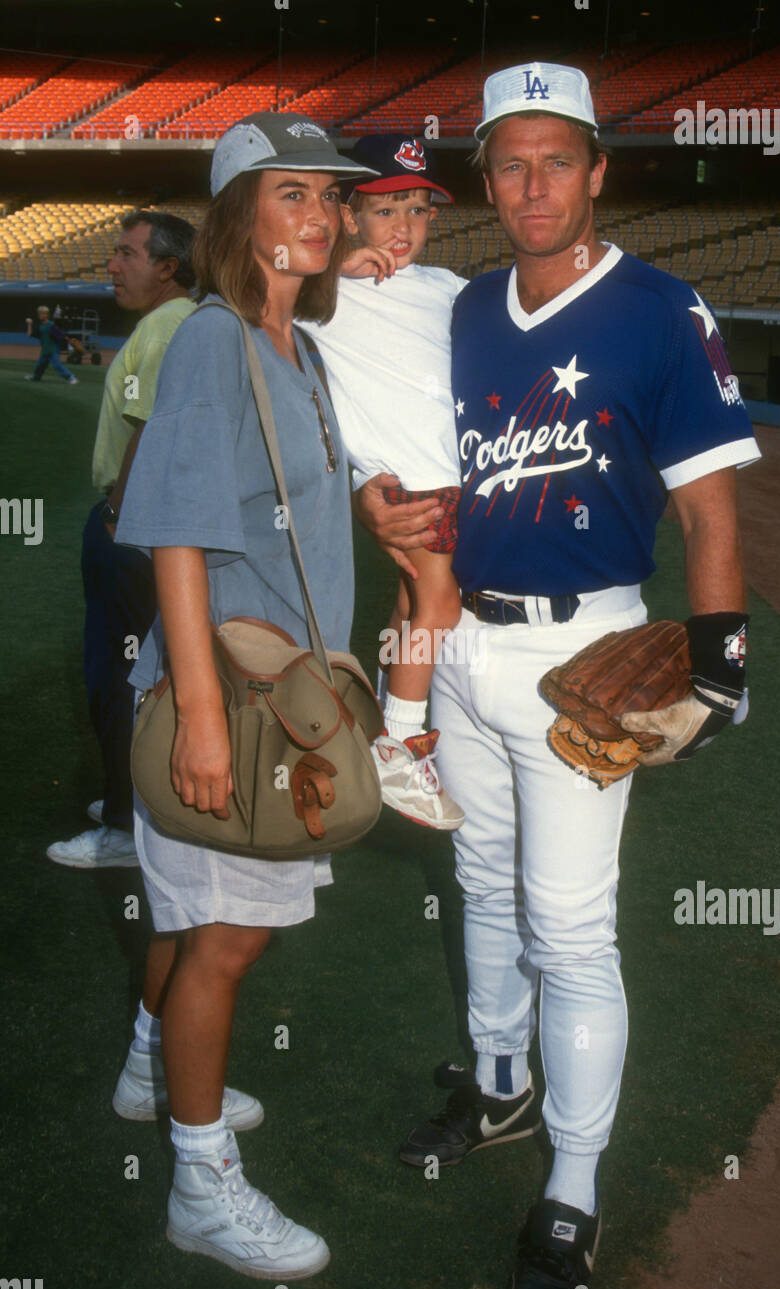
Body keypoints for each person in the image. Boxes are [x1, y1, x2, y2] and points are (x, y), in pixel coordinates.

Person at [355, 62, 758, 1289]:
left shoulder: (659, 308)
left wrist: (721, 667)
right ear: (486, 176)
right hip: (460, 640)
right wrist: (381, 503)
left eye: (556, 160)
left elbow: (709, 511)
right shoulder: (463, 305)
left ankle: (573, 1184)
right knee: (480, 878)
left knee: (571, 929)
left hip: (582, 648)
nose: (533, 185)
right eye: (509, 163)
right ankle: (497, 1085)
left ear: (597, 170)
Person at [112, 112, 378, 1281]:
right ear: (236, 220)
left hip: (282, 691)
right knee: (225, 938)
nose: (318, 216)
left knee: (205, 924)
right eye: (289, 196)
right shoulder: (217, 341)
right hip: (227, 696)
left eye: (327, 196)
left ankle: (146, 1059)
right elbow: (172, 534)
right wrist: (205, 719)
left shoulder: (296, 346)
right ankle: (199, 1183)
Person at [299, 133, 466, 831]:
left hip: (450, 475)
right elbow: (238, 279)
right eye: (384, 210)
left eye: (418, 211)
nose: (403, 228)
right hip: (406, 480)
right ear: (347, 215)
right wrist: (331, 264)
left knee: (408, 607)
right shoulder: (321, 290)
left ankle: (384, 730)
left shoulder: (447, 287)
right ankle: (399, 744)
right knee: (440, 607)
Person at [46, 212, 197, 869]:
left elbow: (149, 430)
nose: (112, 265)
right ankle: (131, 802)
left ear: (167, 267)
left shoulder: (168, 326)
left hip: (132, 527)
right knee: (133, 673)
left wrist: (116, 513)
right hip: (141, 525)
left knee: (118, 678)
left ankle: (125, 826)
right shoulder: (171, 322)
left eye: (126, 254)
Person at [24, 305, 78, 384]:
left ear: (46, 315)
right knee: (39, 366)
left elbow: (61, 334)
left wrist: (70, 341)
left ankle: (71, 377)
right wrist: (29, 324)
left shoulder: (51, 325)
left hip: (53, 350)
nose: (40, 315)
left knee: (57, 365)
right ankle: (36, 377)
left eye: (42, 313)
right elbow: (29, 334)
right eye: (39, 314)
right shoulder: (40, 327)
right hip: (45, 350)